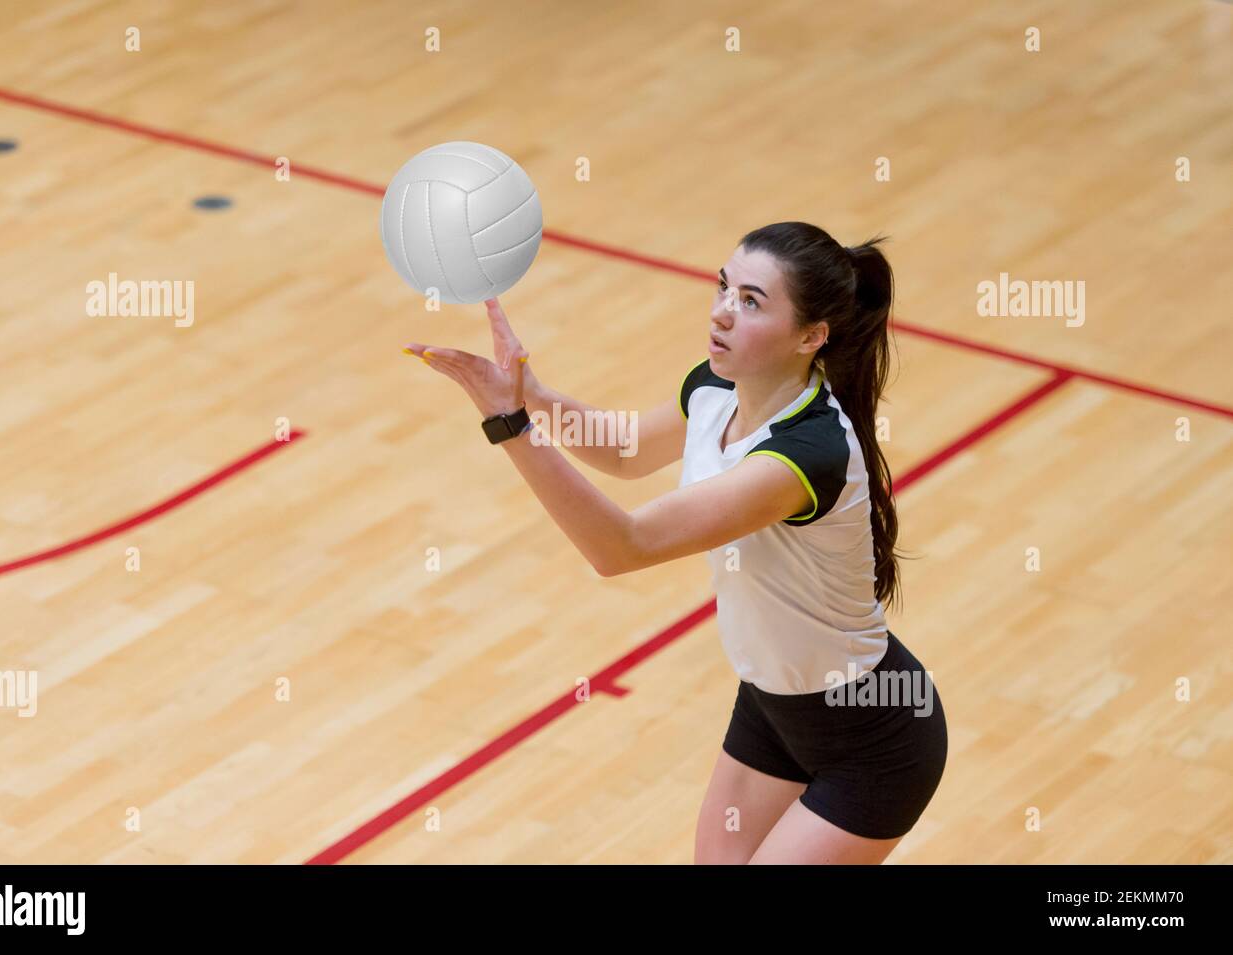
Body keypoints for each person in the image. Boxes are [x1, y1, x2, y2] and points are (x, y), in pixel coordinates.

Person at [404, 221, 947, 864]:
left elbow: (621, 547)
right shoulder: (715, 389)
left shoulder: (805, 457)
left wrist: (512, 426)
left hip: (872, 737)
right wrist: (535, 395)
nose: (722, 310)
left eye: (751, 302)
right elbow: (627, 451)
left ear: (812, 336)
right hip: (772, 711)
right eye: (725, 287)